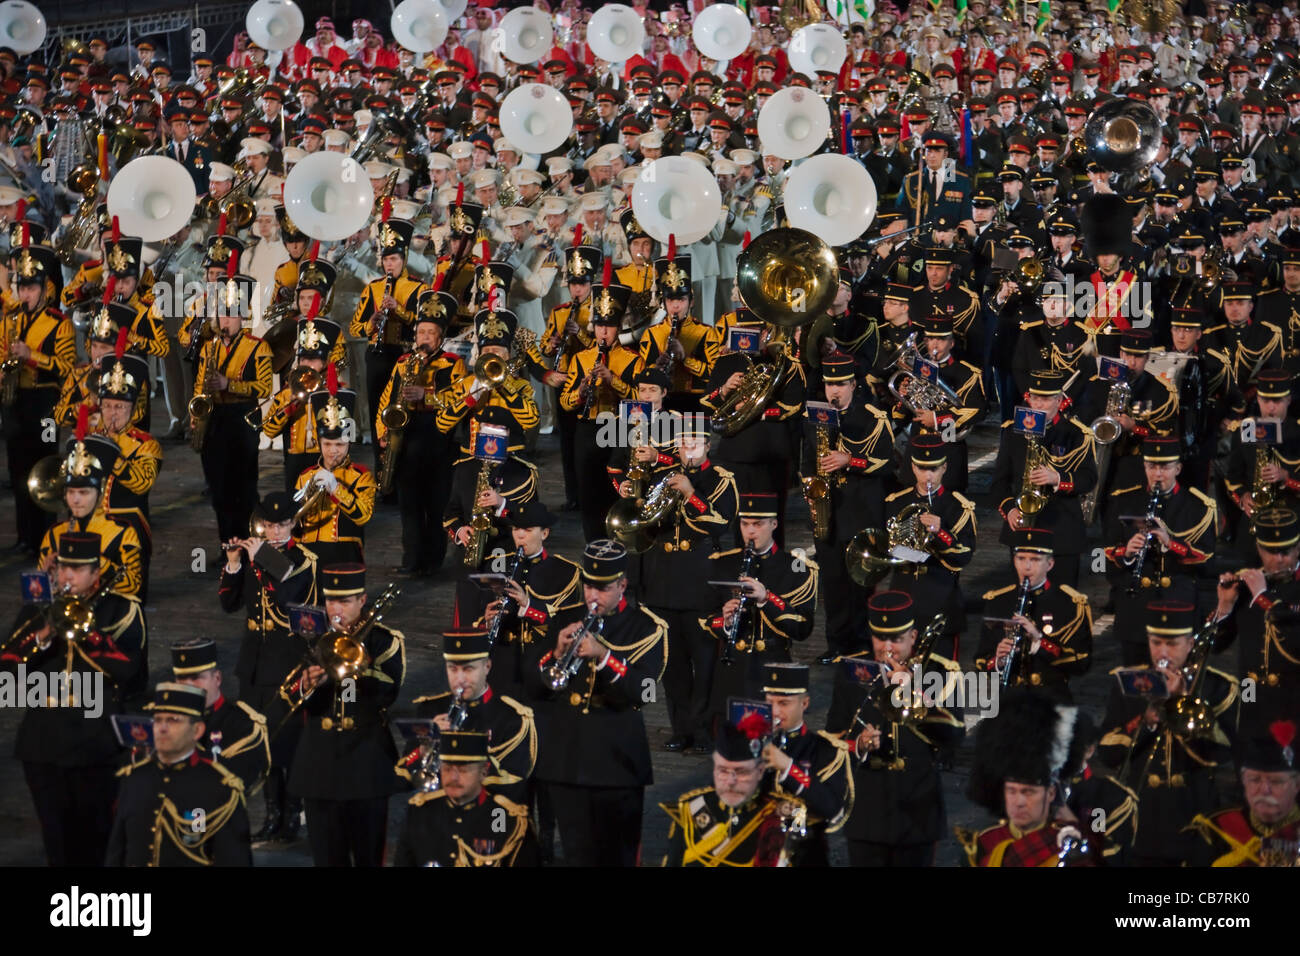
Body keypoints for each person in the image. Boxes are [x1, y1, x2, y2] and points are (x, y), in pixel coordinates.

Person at [2, 533, 147, 865]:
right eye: (65, 567)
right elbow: (7, 673)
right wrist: (42, 635)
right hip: (44, 744)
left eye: (78, 569)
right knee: (57, 843)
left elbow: (130, 672)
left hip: (95, 742)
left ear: (95, 574)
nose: (68, 576)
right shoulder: (38, 610)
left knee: (98, 841)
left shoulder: (120, 609)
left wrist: (89, 633)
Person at [523, 539, 668, 866]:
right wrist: (555, 653)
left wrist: (605, 657)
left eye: (602, 588)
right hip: (567, 760)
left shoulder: (645, 628)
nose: (592, 596)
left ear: (622, 586)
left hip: (617, 763)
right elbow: (532, 685)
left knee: (618, 856)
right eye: (589, 585)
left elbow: (644, 693)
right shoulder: (565, 618)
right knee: (577, 854)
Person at [1099, 600, 1239, 866]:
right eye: (1156, 642)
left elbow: (1220, 754)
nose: (1163, 652)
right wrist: (1146, 719)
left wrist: (1182, 701)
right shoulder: (1128, 683)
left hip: (1193, 810)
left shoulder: (1217, 687)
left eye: (1173, 644)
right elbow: (1108, 754)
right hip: (1143, 814)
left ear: (1190, 644)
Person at [285, 563, 405, 866]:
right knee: (327, 857)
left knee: (369, 856)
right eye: (330, 601)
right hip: (319, 764)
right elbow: (289, 693)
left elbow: (387, 693)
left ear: (362, 600)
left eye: (345, 601)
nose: (335, 609)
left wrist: (355, 670)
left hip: (366, 761)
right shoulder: (310, 636)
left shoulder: (384, 640)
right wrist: (308, 684)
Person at [836, 591, 964, 866]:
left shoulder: (941, 672)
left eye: (896, 639)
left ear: (914, 637)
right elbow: (833, 738)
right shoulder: (852, 670)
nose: (888, 647)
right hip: (866, 807)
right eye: (880, 638)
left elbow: (954, 736)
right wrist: (858, 744)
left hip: (917, 807)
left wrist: (914, 692)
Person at [219, 490, 317, 844]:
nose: (275, 531)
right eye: (268, 525)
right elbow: (229, 603)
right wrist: (233, 563)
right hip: (254, 663)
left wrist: (262, 557)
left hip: (286, 661)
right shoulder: (251, 557)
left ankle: (291, 814)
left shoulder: (304, 559)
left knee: (286, 742)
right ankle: (272, 814)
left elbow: (291, 596)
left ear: (293, 524)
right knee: (259, 744)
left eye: (282, 525)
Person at [107, 682, 251, 866]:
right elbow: (117, 852)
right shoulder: (135, 778)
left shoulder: (218, 788)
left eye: (174, 720)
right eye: (158, 720)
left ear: (197, 730)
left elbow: (234, 860)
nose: (163, 728)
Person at [375, 289, 465, 577]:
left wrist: (425, 396)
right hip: (407, 435)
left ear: (440, 337)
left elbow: (458, 400)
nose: (424, 337)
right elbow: (386, 399)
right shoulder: (403, 363)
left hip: (439, 437)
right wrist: (383, 433)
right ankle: (411, 559)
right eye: (421, 332)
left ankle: (434, 559)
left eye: (430, 332)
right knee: (409, 502)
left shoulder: (453, 363)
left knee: (436, 501)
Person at [959, 688, 1095, 867]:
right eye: (1011, 791)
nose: (1019, 802)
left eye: (1029, 792)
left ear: (1051, 793)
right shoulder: (982, 845)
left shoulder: (1070, 848)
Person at [404, 627, 537, 807]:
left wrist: (464, 748)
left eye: (468, 669)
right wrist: (424, 747)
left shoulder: (511, 718)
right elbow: (402, 773)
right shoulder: (429, 710)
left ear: (487, 667)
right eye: (453, 669)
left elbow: (513, 785)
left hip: (487, 816)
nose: (460, 679)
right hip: (438, 816)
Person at [191, 269, 273, 544]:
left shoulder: (258, 347)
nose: (225, 320)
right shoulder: (208, 347)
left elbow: (264, 389)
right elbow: (199, 383)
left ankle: (247, 540)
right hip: (214, 418)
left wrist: (230, 385)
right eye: (222, 314)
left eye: (232, 315)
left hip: (243, 418)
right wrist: (196, 413)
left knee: (244, 486)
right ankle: (227, 542)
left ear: (243, 317)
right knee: (218, 487)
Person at [1, 240, 73, 553]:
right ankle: (23, 535)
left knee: (43, 466)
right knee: (17, 469)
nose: (25, 294)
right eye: (23, 288)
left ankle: (44, 534)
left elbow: (67, 368)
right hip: (16, 400)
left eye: (32, 288)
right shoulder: (9, 321)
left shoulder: (60, 324)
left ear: (46, 289)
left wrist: (33, 357)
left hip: (45, 403)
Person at [477, 499, 581, 701]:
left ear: (544, 533)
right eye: (516, 529)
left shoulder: (566, 573)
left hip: (541, 663)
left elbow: (567, 624)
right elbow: (479, 614)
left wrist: (528, 605)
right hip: (503, 664)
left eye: (528, 529)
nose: (520, 535)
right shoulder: (498, 568)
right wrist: (487, 622)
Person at [976, 529, 1092, 703]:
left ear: (1050, 564)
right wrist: (999, 660)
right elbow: (981, 659)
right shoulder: (998, 601)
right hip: (1009, 701)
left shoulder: (1069, 604)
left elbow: (1081, 663)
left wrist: (1038, 640)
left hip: (1052, 702)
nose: (1027, 567)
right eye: (1021, 558)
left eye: (1035, 560)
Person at [755, 663, 853, 866]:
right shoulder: (749, 744)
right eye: (769, 702)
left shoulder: (825, 749)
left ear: (805, 704)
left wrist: (789, 768)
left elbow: (832, 808)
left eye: (783, 703)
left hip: (803, 854)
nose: (774, 711)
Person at [393, 730, 539, 866]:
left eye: (463, 770)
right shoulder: (420, 812)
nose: (454, 778)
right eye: (447, 769)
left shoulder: (504, 818)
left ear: (484, 772)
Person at [660, 719, 789, 866]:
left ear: (760, 771)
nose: (730, 781)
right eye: (723, 771)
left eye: (741, 772)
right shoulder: (691, 811)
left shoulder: (780, 817)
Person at [1184, 720, 1300, 866]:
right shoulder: (1215, 829)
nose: (1264, 790)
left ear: (1296, 785)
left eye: (1276, 781)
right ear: (1244, 782)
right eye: (1255, 780)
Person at [293, 372, 375, 567]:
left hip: (344, 554)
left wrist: (335, 488)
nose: (333, 451)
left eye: (339, 444)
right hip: (308, 553)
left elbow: (364, 516)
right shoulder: (306, 476)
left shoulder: (361, 476)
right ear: (319, 442)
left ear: (348, 442)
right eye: (327, 444)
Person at [169, 637, 269, 794]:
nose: (188, 686)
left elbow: (239, 781)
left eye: (196, 678)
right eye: (181, 678)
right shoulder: (163, 722)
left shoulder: (244, 725)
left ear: (217, 678)